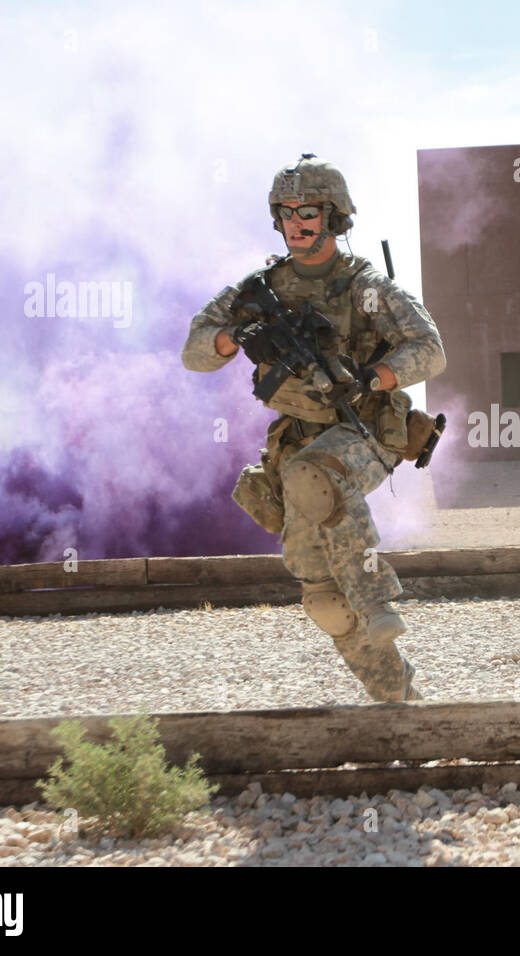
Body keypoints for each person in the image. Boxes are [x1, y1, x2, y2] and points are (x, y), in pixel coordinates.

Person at [182, 153, 445, 701]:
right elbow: (195, 351)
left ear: (334, 216)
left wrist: (374, 378)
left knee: (314, 472)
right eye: (285, 212)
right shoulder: (259, 288)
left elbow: (430, 350)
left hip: (365, 430)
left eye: (306, 211)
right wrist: (239, 336)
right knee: (320, 592)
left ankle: (376, 600)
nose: (294, 223)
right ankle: (394, 691)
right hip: (297, 441)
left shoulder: (365, 286)